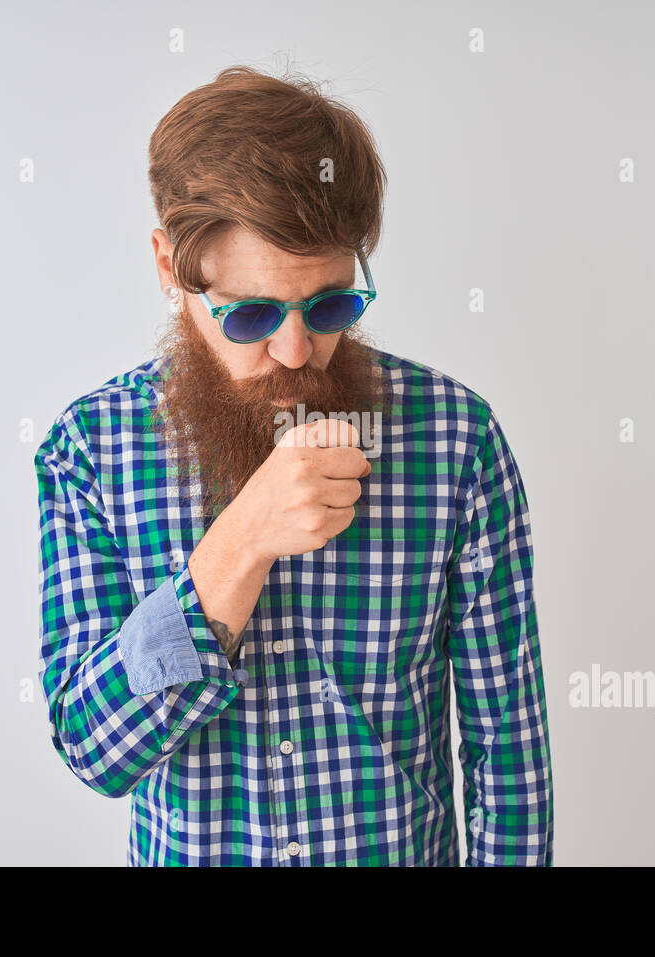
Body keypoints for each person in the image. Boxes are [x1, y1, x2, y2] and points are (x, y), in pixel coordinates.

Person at [35, 64, 553, 865]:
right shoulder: (90, 450)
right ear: (171, 268)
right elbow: (94, 748)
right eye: (249, 314)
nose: (295, 349)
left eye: (331, 305)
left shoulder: (456, 440)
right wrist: (239, 543)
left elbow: (509, 763)